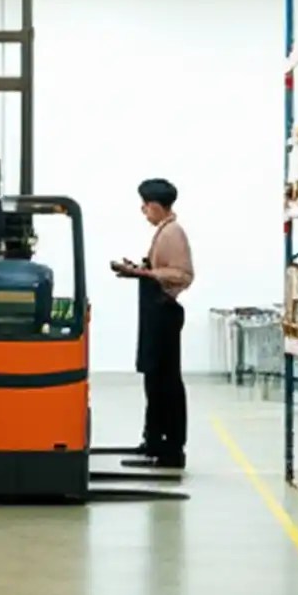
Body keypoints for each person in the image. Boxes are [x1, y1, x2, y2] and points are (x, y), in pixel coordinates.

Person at [110, 178, 194, 469]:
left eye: (145, 206)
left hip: (164, 314)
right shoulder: (164, 231)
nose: (143, 210)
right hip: (156, 313)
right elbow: (162, 270)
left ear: (156, 206)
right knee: (153, 378)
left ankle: (170, 450)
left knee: (165, 381)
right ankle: (154, 441)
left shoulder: (173, 233)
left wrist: (144, 274)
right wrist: (140, 270)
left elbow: (182, 275)